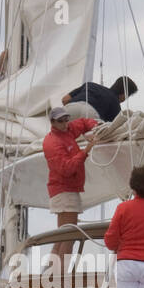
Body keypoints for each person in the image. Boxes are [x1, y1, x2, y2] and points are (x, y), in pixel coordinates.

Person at [44, 106, 99, 264]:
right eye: (61, 121)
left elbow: (82, 123)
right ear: (53, 122)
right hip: (64, 191)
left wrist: (95, 127)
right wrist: (86, 151)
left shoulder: (66, 131)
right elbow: (66, 169)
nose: (65, 123)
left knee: (62, 237)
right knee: (69, 237)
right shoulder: (53, 143)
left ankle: (51, 274)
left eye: (66, 119)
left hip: (64, 191)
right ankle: (61, 277)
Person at [61, 76, 137, 122]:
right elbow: (113, 126)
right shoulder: (115, 101)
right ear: (124, 94)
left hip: (71, 108)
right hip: (91, 115)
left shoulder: (90, 85)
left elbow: (65, 100)